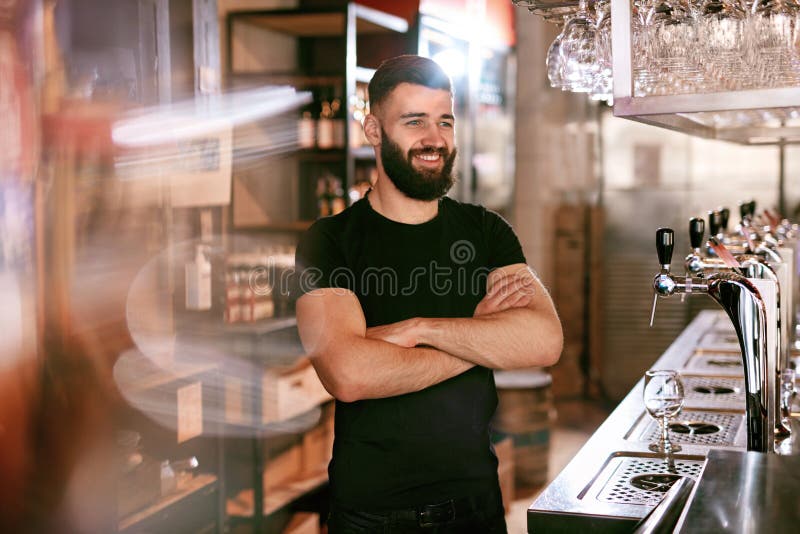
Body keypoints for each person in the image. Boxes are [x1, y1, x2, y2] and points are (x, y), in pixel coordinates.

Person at [294, 55, 563, 533]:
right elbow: (349, 374)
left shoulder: (485, 232)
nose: (434, 139)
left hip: (477, 508)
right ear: (373, 130)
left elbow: (544, 340)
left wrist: (418, 330)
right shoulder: (328, 241)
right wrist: (482, 341)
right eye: (414, 121)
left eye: (444, 121)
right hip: (370, 519)